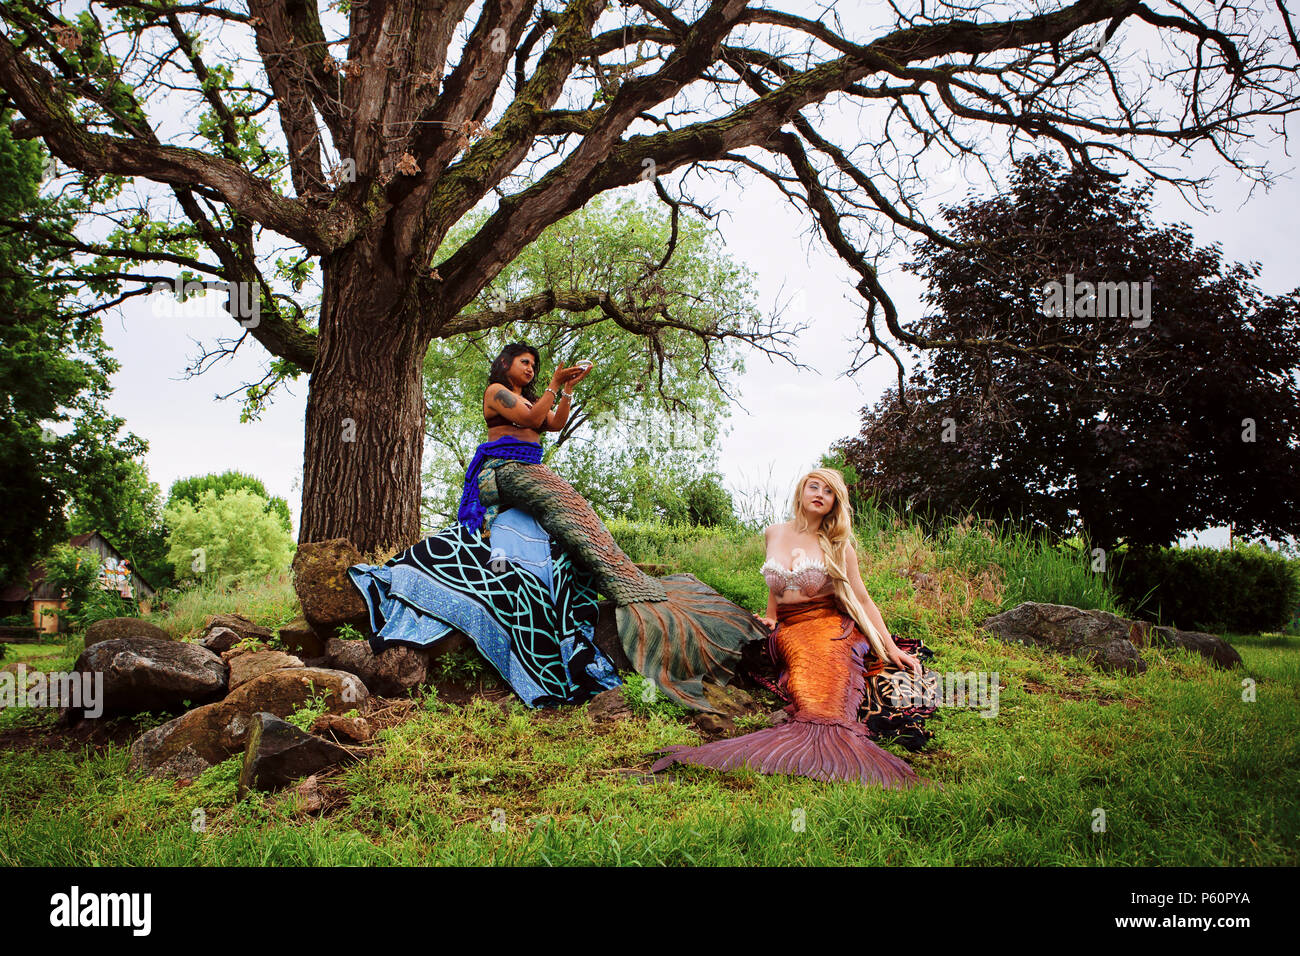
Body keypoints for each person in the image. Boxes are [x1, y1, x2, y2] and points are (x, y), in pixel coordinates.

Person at [349, 343, 766, 710]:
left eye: (535, 365)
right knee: (565, 504)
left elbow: (553, 423)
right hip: (504, 470)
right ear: (506, 363)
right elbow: (532, 416)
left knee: (572, 515)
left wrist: (566, 391)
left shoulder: (532, 397)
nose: (530, 370)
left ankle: (625, 588)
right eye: (525, 363)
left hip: (528, 468)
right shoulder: (496, 392)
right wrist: (552, 382)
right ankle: (625, 588)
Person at [651, 468, 940, 788]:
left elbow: (863, 598)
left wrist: (890, 647)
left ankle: (833, 750)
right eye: (813, 487)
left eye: (828, 491)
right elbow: (776, 584)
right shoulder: (774, 532)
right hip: (790, 628)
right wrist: (771, 617)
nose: (819, 494)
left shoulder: (838, 545)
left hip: (827, 624)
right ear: (800, 493)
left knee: (820, 706)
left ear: (835, 503)